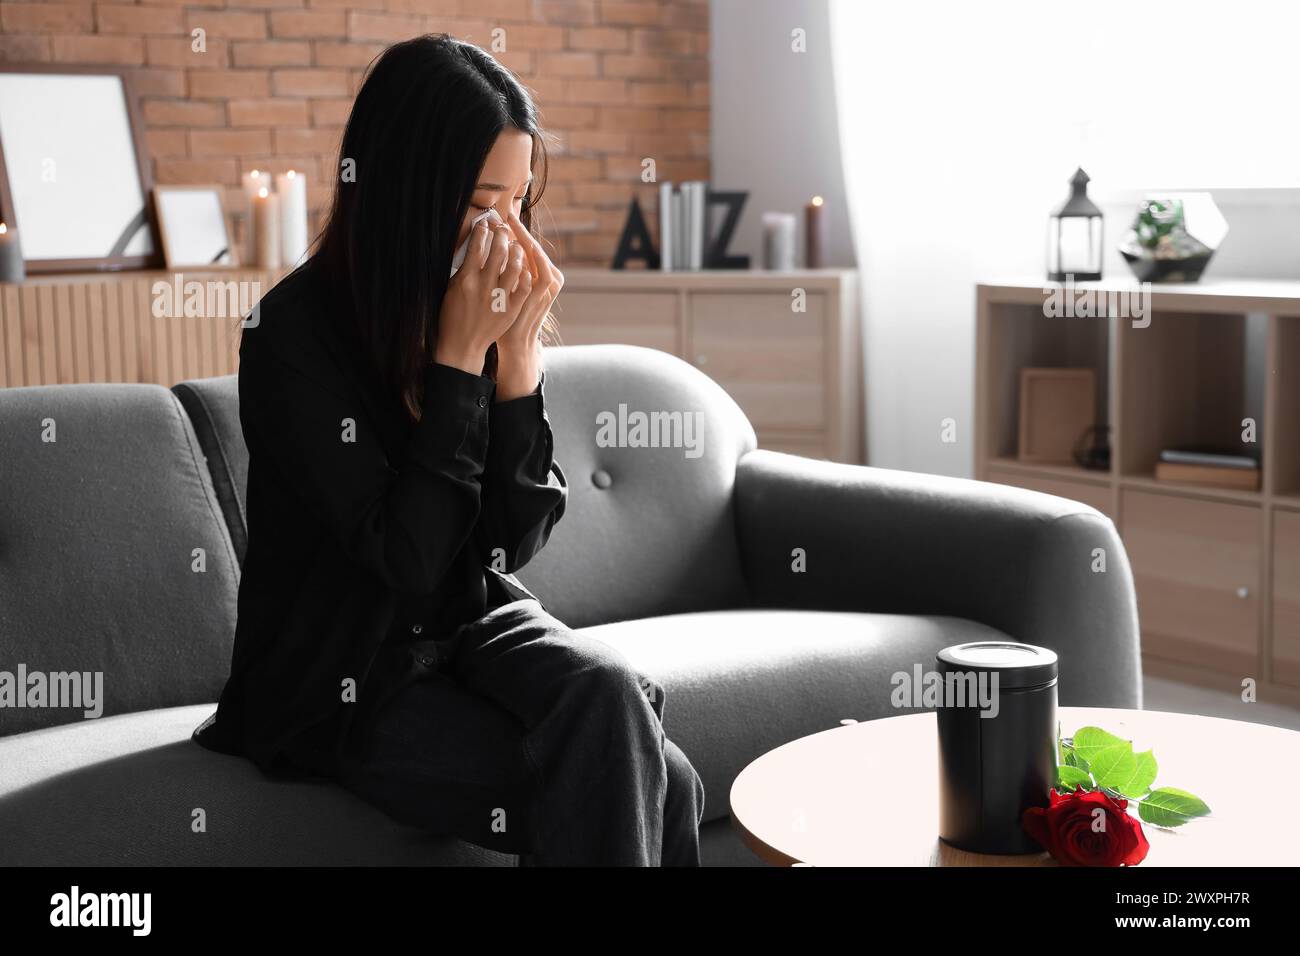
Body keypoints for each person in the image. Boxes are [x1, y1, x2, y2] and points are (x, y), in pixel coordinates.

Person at [192, 33, 706, 866]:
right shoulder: (292, 335)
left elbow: (514, 542)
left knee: (607, 694)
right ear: (403, 192)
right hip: (345, 673)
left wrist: (521, 364)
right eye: (478, 205)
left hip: (471, 624)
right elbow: (408, 557)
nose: (503, 235)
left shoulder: (475, 303)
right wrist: (461, 363)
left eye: (517, 204)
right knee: (665, 781)